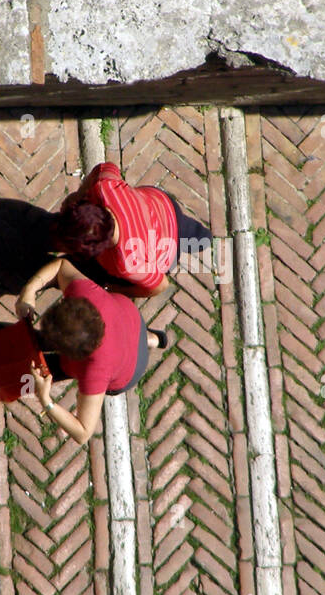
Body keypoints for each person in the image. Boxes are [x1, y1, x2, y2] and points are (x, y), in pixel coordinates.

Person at [15, 256, 164, 445]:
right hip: (130, 316)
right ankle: (152, 338)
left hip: (131, 369)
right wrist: (30, 290)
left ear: (76, 356)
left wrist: (46, 400)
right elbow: (62, 265)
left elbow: (83, 433)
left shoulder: (95, 372)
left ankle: (149, 339)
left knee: (30, 373)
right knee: (133, 336)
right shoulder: (83, 293)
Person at [40, 161, 212, 299]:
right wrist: (78, 195)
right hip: (162, 204)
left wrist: (117, 289)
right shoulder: (104, 189)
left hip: (167, 250)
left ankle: (201, 240)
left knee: (94, 275)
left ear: (96, 251)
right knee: (195, 233)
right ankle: (202, 237)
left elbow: (160, 285)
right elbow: (105, 167)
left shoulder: (128, 262)